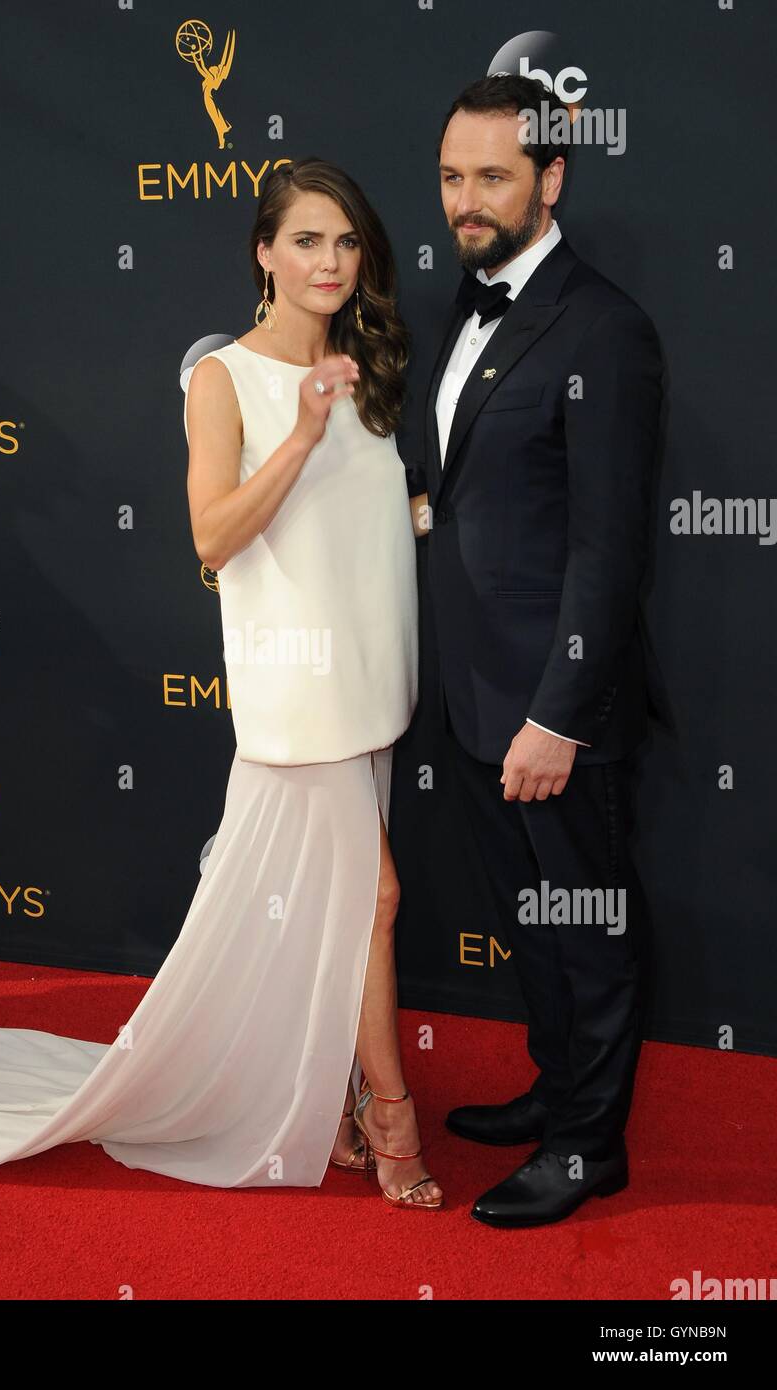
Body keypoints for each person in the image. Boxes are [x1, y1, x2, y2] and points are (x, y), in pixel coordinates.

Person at [0, 159, 443, 1209]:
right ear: (263, 253)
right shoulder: (226, 376)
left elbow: (366, 524)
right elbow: (213, 536)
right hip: (298, 689)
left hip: (371, 682)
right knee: (376, 897)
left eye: (346, 241)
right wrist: (305, 436)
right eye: (306, 239)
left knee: (347, 906)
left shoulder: (365, 369)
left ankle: (351, 1102)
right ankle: (389, 1120)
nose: (328, 261)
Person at [400, 74, 668, 1227]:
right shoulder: (460, 310)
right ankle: (556, 1093)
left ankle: (587, 1147)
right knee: (530, 922)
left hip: (554, 708)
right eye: (453, 176)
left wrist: (556, 715)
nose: (466, 199)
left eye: (493, 176)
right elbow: (472, 497)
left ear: (550, 179)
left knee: (588, 929)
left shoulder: (603, 328)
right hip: (469, 695)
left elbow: (609, 548)